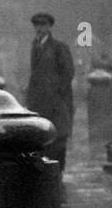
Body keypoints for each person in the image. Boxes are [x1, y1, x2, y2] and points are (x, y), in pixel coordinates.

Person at [25, 11, 75, 173]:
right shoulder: (35, 46)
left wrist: (56, 92)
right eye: (37, 25)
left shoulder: (59, 47)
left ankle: (57, 176)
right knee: (41, 139)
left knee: (58, 139)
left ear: (49, 27)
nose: (39, 28)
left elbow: (68, 72)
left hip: (56, 104)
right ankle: (46, 176)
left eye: (43, 25)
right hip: (38, 103)